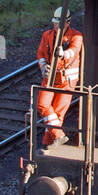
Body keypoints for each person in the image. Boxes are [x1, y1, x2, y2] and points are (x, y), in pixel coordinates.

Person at [36, 8, 83, 147]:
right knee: (43, 104)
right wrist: (44, 66)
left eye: (58, 23)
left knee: (58, 112)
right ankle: (59, 135)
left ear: (67, 23)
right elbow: (41, 54)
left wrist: (63, 53)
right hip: (50, 77)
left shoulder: (76, 36)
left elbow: (74, 51)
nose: (55, 26)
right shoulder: (47, 35)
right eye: (55, 23)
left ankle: (48, 141)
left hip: (67, 81)